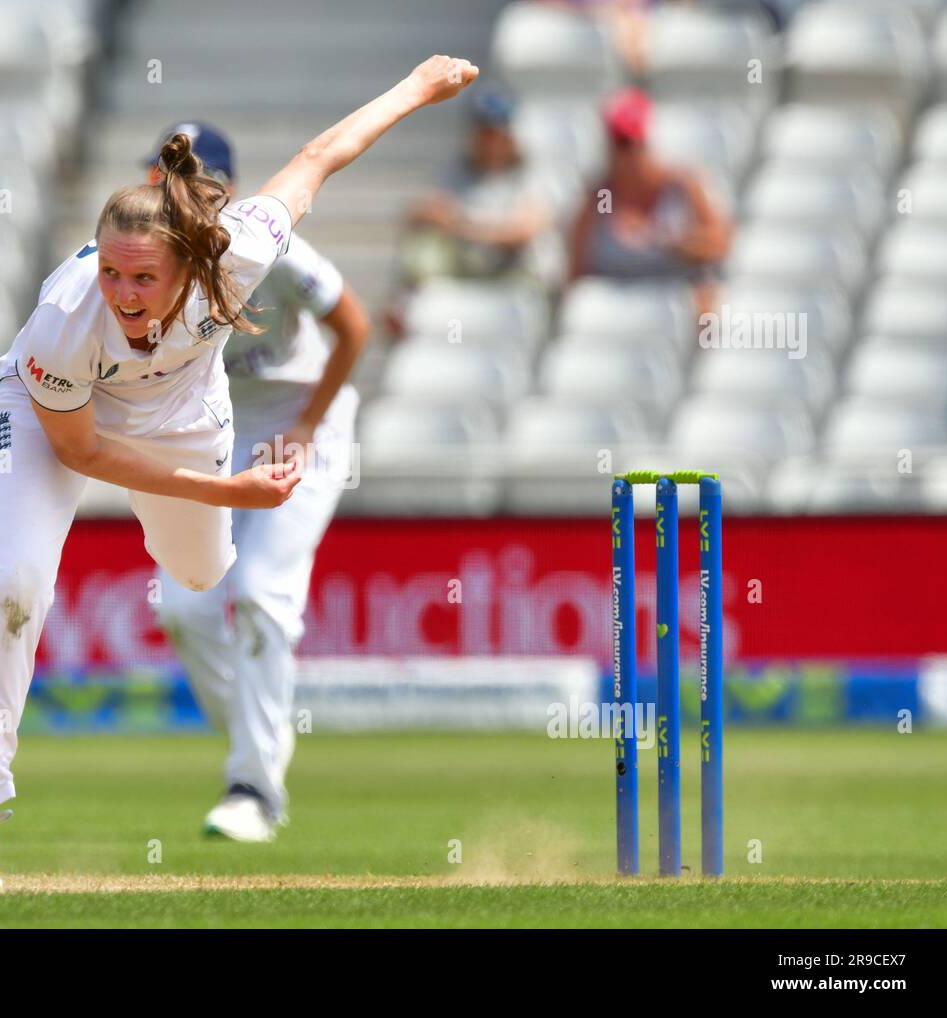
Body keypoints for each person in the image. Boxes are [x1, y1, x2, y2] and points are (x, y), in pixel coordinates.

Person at [0, 54, 481, 892]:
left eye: (143, 276)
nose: (122, 293)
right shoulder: (64, 320)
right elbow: (83, 455)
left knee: (198, 577)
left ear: (188, 265)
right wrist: (232, 492)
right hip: (51, 418)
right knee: (14, 584)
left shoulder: (242, 252)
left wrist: (417, 88)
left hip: (183, 415)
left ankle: (257, 757)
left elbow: (320, 157)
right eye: (110, 271)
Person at [140, 123, 370, 842]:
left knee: (263, 591)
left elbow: (353, 328)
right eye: (167, 177)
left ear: (228, 191)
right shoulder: (141, 264)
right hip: (220, 435)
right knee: (183, 607)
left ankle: (254, 788)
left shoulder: (275, 251)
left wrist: (306, 424)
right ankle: (255, 745)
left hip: (306, 424)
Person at [569, 87, 732, 317]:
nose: (627, 154)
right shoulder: (598, 198)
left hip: (675, 305)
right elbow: (576, 272)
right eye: (619, 143)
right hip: (617, 313)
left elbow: (719, 245)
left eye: (632, 142)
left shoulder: (684, 188)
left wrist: (676, 244)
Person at [399, 83, 550, 285]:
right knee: (424, 249)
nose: (489, 141)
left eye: (495, 133)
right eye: (483, 132)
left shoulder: (529, 173)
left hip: (512, 269)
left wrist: (464, 227)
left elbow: (525, 230)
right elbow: (423, 212)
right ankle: (409, 307)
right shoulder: (455, 170)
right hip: (465, 262)